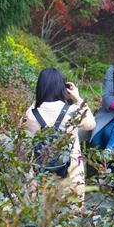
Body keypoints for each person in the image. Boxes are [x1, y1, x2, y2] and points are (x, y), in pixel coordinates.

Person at [22, 68, 95, 199]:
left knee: (40, 215)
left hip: (39, 172)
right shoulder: (72, 110)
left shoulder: (31, 115)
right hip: (71, 171)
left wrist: (36, 101)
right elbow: (91, 124)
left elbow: (20, 127)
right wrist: (78, 98)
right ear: (62, 88)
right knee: (71, 213)